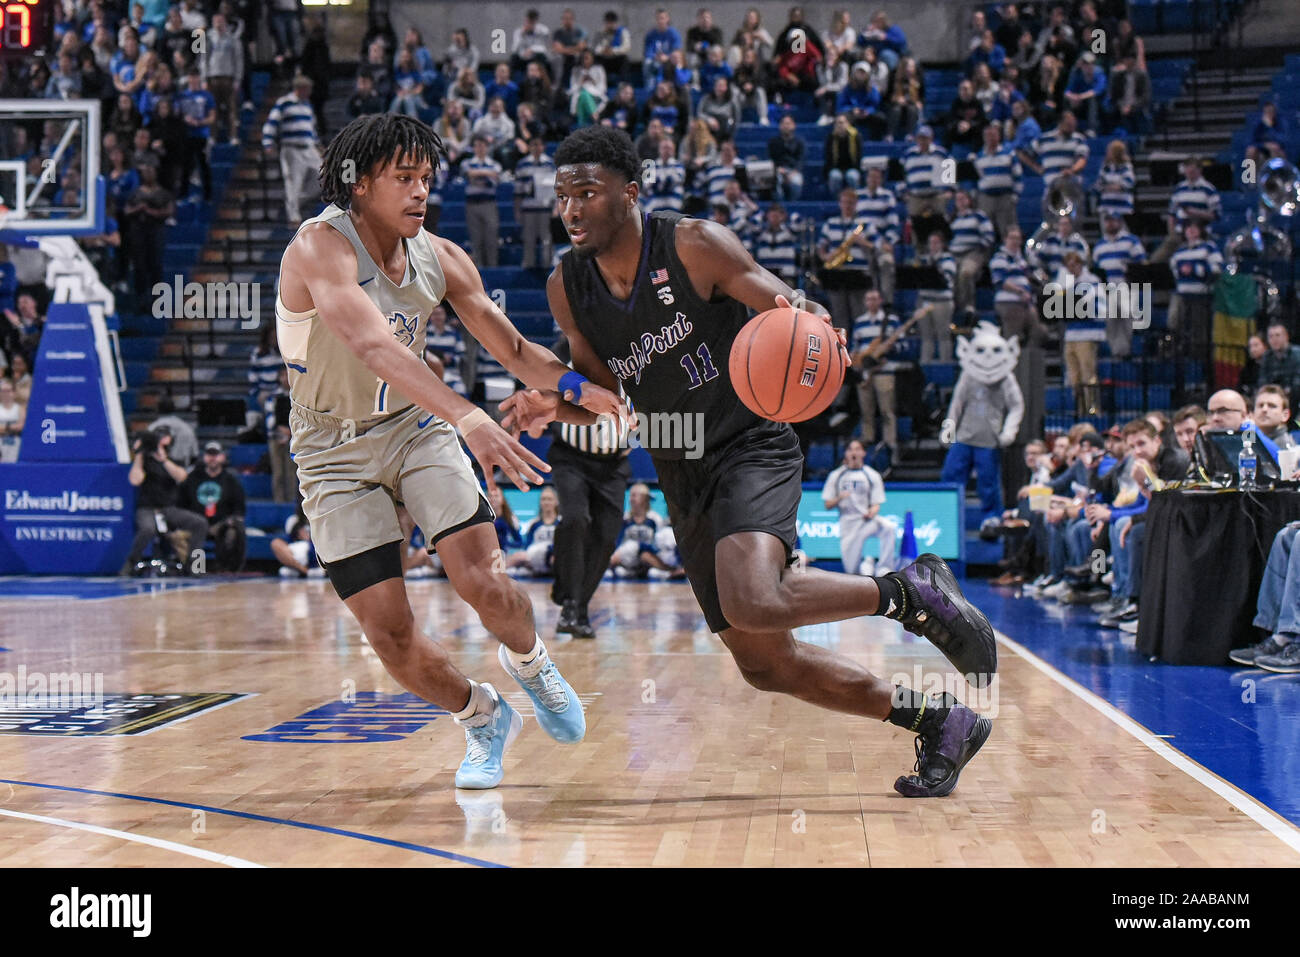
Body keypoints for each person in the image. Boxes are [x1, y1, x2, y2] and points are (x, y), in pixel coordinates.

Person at [500, 125, 997, 798]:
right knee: (764, 662)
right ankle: (940, 719)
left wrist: (819, 324)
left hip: (749, 440)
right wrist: (548, 406)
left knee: (756, 596)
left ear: (631, 193)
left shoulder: (692, 245)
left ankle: (909, 592)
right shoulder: (569, 286)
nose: (573, 209)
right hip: (682, 470)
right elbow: (603, 397)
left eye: (588, 192)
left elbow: (787, 303)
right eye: (564, 196)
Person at [275, 112, 626, 790]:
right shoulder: (320, 246)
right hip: (330, 450)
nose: (419, 192)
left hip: (415, 428)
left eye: (426, 179)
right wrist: (470, 416)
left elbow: (519, 353)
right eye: (403, 178)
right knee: (390, 635)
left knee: (485, 582)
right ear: (360, 183)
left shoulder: (440, 257)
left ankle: (532, 663)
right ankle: (483, 715)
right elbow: (373, 345)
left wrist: (589, 389)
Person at [547, 338, 630, 639]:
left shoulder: (631, 347)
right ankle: (571, 602)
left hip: (613, 464)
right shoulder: (565, 348)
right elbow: (540, 381)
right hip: (571, 457)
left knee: (607, 535)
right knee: (575, 519)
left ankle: (578, 606)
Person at [124, 425, 212, 573]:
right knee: (147, 529)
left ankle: (195, 566)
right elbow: (135, 480)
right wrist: (139, 454)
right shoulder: (144, 461)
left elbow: (182, 477)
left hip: (168, 508)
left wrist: (163, 460)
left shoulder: (172, 461)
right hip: (147, 508)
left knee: (200, 523)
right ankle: (131, 562)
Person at [823, 439, 897, 576]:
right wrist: (839, 497)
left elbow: (876, 503)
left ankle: (884, 567)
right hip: (848, 524)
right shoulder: (836, 475)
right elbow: (827, 504)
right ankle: (867, 564)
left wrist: (871, 512)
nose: (854, 453)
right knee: (852, 571)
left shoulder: (872, 475)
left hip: (866, 521)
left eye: (857, 449)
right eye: (850, 449)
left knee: (888, 527)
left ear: (863, 453)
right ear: (845, 453)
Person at [178, 441, 247, 571]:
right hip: (195, 523)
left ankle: (227, 569)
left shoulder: (231, 481)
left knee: (234, 532)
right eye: (209, 454)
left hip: (220, 525)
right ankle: (193, 568)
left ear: (222, 457)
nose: (212, 458)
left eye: (216, 454)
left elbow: (239, 509)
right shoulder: (192, 478)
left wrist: (230, 521)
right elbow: (181, 504)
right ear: (204, 457)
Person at [261, 74, 320, 226]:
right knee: (293, 182)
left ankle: (295, 200)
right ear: (300, 89)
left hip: (308, 147)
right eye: (308, 89)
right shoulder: (284, 103)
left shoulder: (307, 105)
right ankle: (293, 217)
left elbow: (311, 128)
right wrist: (268, 142)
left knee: (323, 176)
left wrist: (318, 146)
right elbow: (271, 122)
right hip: (291, 149)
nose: (310, 92)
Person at [850, 288, 903, 452]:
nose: (871, 302)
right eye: (868, 299)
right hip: (865, 371)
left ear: (880, 301)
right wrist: (857, 361)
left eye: (874, 299)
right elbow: (854, 347)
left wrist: (891, 349)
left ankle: (890, 442)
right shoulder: (860, 322)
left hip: (884, 370)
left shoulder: (892, 321)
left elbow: (903, 346)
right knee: (866, 410)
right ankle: (867, 439)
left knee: (887, 410)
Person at [508, 485, 561, 575]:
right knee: (518, 556)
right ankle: (496, 573)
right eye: (543, 499)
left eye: (549, 499)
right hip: (535, 559)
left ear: (556, 502)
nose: (546, 502)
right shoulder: (534, 524)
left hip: (555, 558)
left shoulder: (561, 522)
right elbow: (527, 546)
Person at [1259, 322, 1300, 413]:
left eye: (1277, 335)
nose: (1274, 339)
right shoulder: (1267, 356)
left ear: (1286, 336)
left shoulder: (1297, 354)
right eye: (1271, 336)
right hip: (1273, 397)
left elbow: (1297, 383)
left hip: (1294, 398)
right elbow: (1262, 381)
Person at [1253, 384, 1296, 449]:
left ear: (1285, 415)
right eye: (1260, 405)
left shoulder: (1287, 447)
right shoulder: (1248, 440)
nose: (1264, 409)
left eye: (1272, 406)